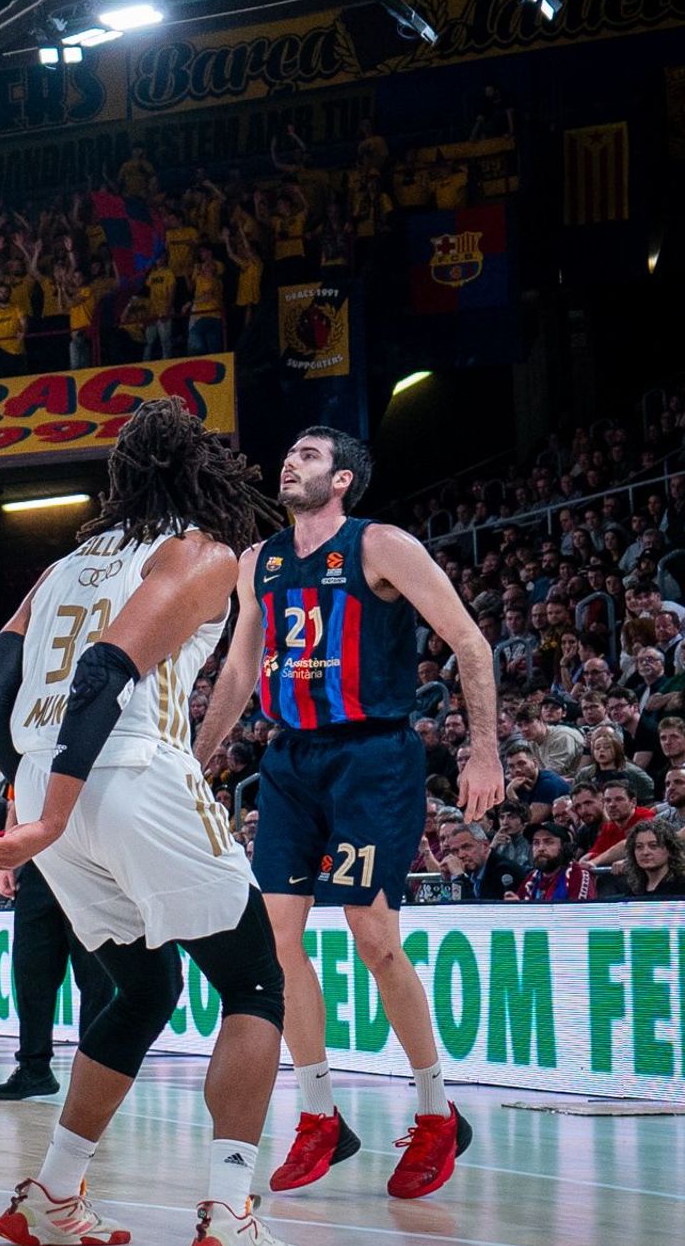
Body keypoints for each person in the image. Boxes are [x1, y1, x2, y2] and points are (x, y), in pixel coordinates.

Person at [0, 398, 304, 1246]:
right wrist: (54, 812)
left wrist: (36, 805)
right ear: (206, 475)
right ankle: (230, 1217)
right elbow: (106, 671)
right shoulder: (200, 553)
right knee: (254, 982)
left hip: (49, 777)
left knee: (144, 986)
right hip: (129, 772)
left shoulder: (63, 567)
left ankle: (53, 1195)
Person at [195, 426, 495, 1203]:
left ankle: (436, 1112)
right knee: (275, 942)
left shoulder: (380, 545)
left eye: (309, 456)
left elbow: (470, 643)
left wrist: (484, 752)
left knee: (372, 934)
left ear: (341, 481)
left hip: (372, 758)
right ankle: (321, 1114)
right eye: (289, 452)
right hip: (291, 761)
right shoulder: (257, 561)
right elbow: (240, 668)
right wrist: (194, 757)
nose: (289, 461)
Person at [0, 862, 114, 1103]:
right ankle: (33, 1068)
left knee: (96, 978)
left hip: (89, 867)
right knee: (30, 972)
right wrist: (7, 863)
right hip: (39, 867)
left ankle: (95, 1072)